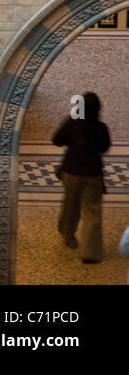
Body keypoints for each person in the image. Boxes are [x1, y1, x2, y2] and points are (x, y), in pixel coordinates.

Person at [52, 91, 112, 264]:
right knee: (92, 212)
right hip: (92, 173)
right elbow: (104, 147)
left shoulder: (72, 123)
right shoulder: (101, 127)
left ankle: (67, 234)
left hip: (71, 171)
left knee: (70, 205)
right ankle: (90, 252)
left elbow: (56, 140)